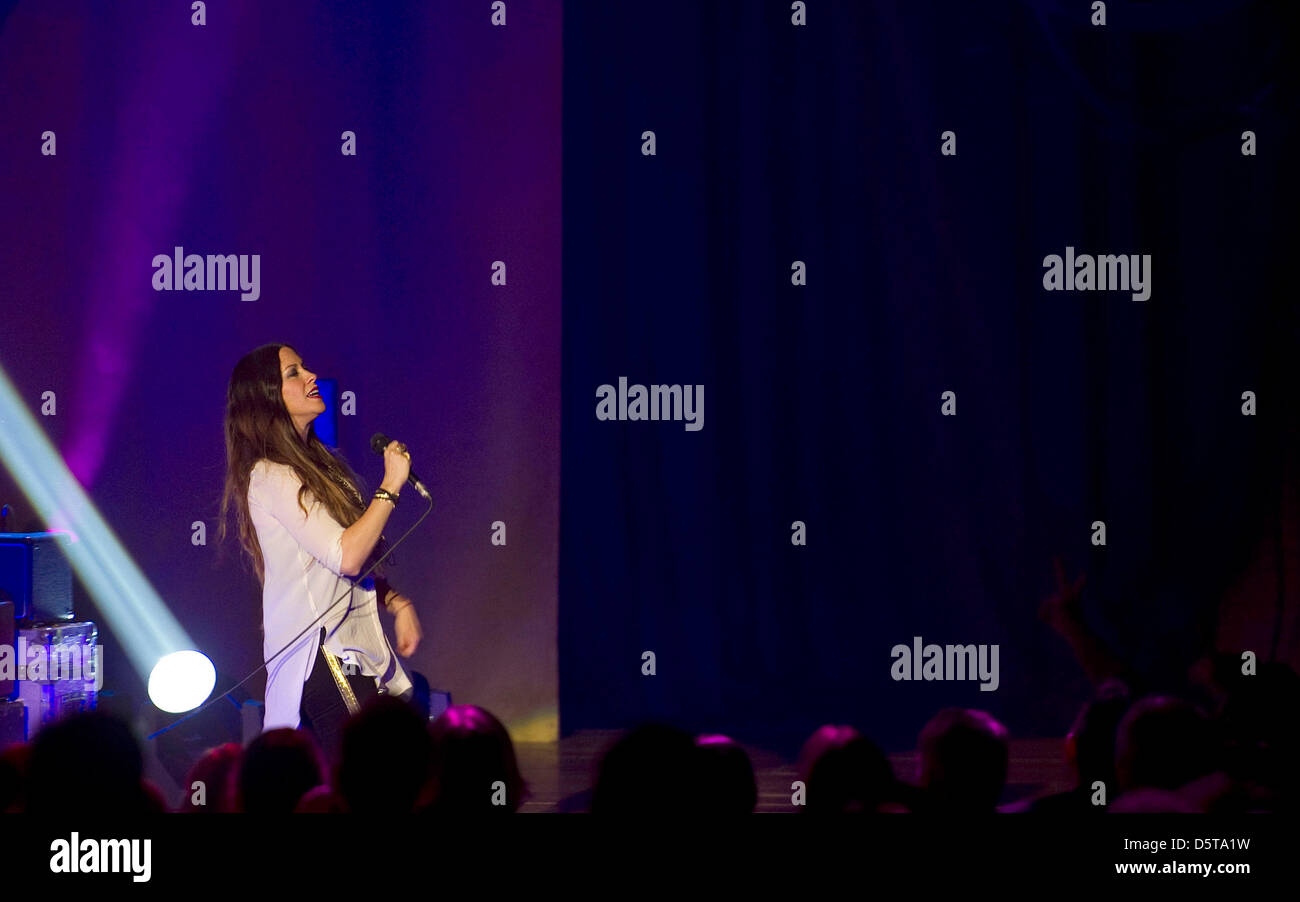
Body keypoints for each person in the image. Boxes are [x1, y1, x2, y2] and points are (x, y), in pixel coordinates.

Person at [219, 343, 423, 764]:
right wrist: (390, 487)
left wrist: (396, 601)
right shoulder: (270, 474)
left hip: (350, 648)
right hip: (322, 656)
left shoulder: (319, 464)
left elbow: (348, 567)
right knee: (378, 778)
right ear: (268, 397)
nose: (311, 376)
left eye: (305, 367)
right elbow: (345, 556)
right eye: (293, 373)